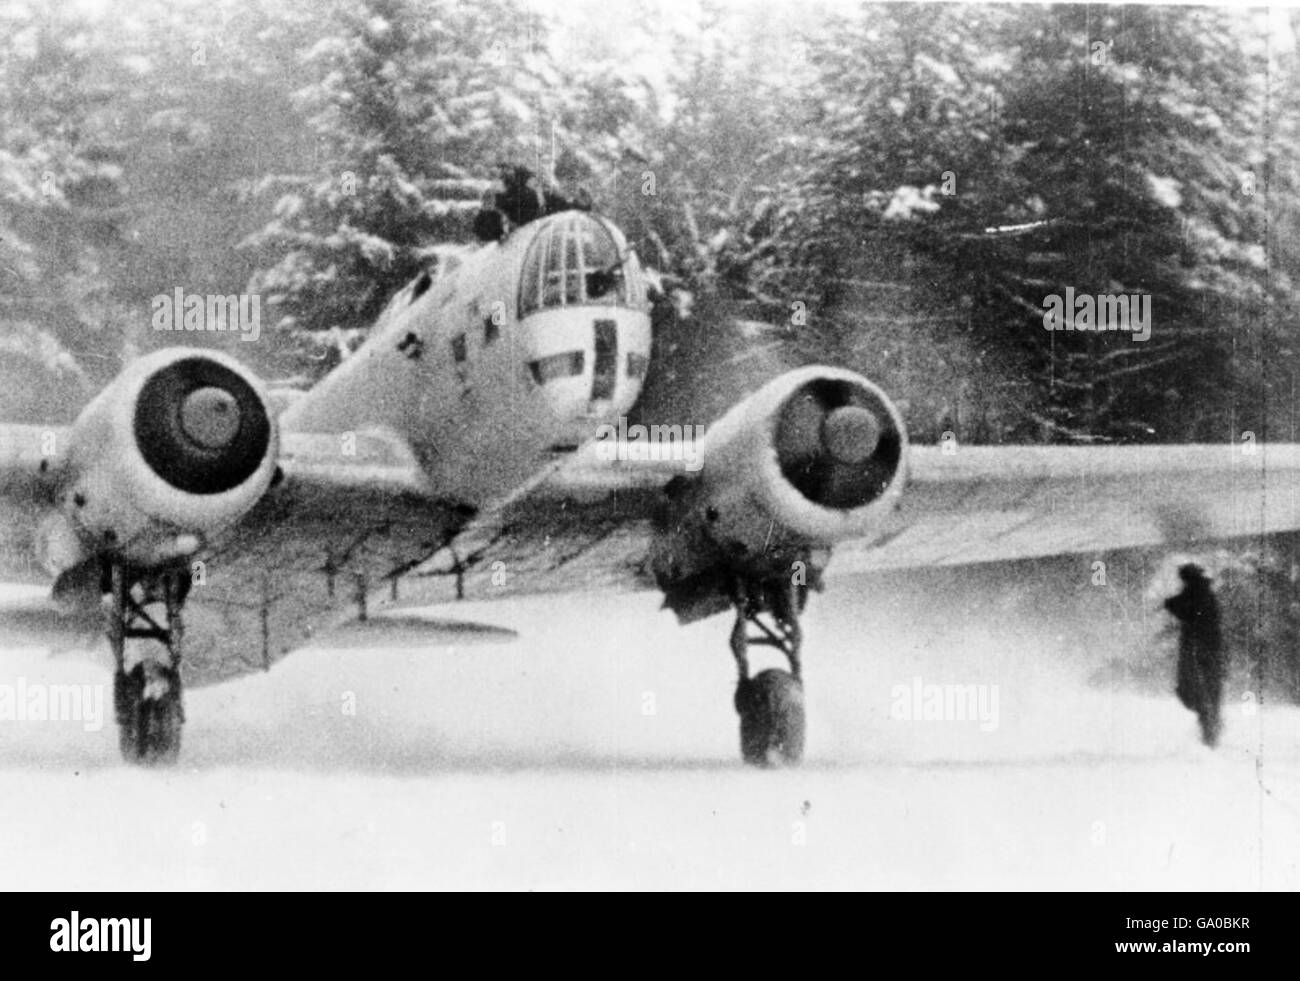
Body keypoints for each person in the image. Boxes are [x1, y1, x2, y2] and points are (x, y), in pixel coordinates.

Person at [1164, 563, 1225, 747]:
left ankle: (1210, 734)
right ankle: (1211, 733)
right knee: (1205, 694)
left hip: (1200, 651)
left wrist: (1170, 604)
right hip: (1208, 651)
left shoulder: (1198, 594)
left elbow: (1187, 612)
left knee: (1196, 692)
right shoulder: (1201, 592)